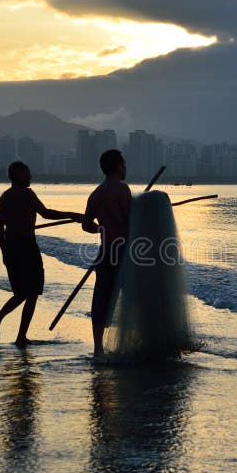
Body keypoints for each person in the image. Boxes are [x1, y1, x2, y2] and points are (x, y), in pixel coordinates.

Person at [0, 161, 83, 346]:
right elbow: (46, 214)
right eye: (27, 174)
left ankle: (2, 321)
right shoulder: (27, 194)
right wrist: (73, 214)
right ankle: (17, 334)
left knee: (21, 293)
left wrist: (4, 251)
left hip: (11, 247)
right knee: (31, 293)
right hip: (26, 247)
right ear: (17, 176)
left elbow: (0, 227)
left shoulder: (5, 196)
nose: (30, 177)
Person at [82, 149, 132, 355]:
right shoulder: (121, 189)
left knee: (101, 300)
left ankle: (98, 348)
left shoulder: (96, 193)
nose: (125, 167)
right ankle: (136, 342)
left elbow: (86, 225)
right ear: (118, 165)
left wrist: (102, 228)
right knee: (134, 298)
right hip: (124, 252)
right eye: (124, 163)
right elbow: (131, 222)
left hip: (104, 253)